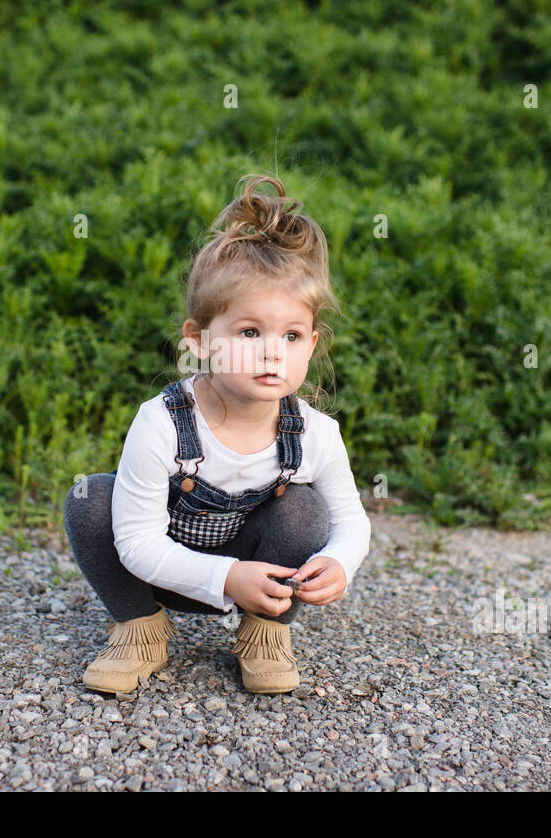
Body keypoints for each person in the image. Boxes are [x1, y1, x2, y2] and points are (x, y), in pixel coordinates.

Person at [62, 173, 371, 695]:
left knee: (306, 509)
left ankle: (266, 635)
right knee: (90, 495)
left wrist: (339, 562)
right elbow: (135, 542)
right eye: (250, 332)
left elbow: (351, 523)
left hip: (261, 583)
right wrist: (226, 577)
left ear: (312, 344)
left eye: (291, 335)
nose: (274, 351)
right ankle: (140, 630)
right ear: (200, 339)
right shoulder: (162, 420)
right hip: (158, 572)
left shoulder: (316, 435)